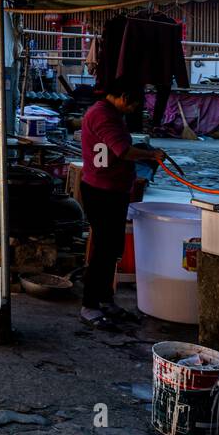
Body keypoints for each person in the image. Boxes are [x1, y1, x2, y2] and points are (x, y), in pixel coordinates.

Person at [79, 80, 167, 329]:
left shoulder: (111, 113)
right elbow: (122, 150)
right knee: (103, 249)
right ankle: (89, 306)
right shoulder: (103, 115)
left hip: (113, 190)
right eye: (136, 103)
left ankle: (106, 300)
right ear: (124, 96)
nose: (136, 108)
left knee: (111, 248)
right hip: (101, 191)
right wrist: (150, 155)